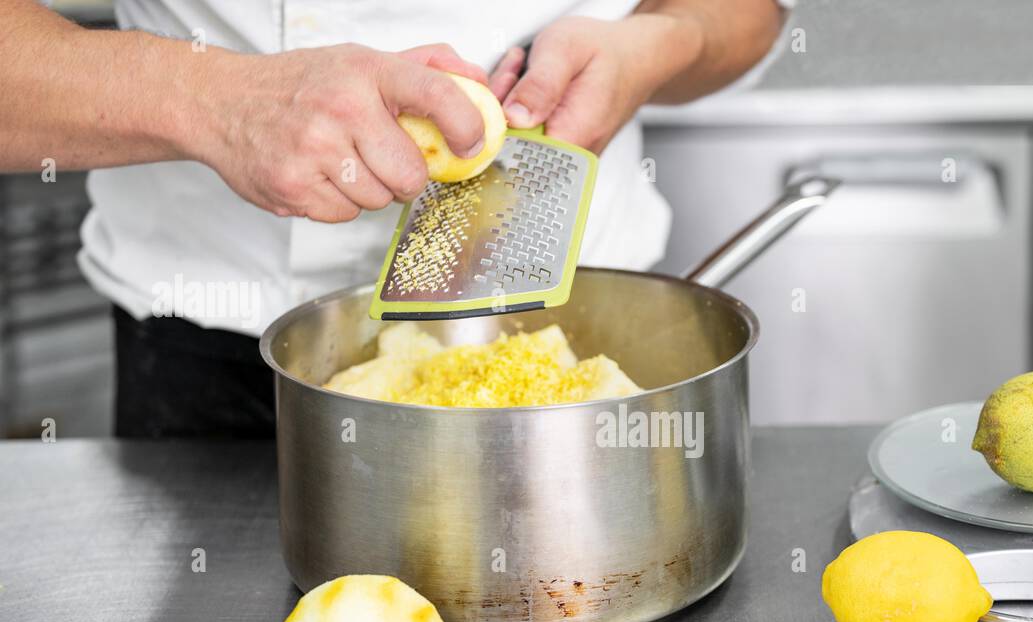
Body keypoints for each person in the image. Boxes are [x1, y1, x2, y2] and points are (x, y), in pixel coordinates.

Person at [0, 0, 786, 437]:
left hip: (580, 340)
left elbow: (745, 13)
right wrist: (209, 99)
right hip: (205, 346)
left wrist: (654, 43)